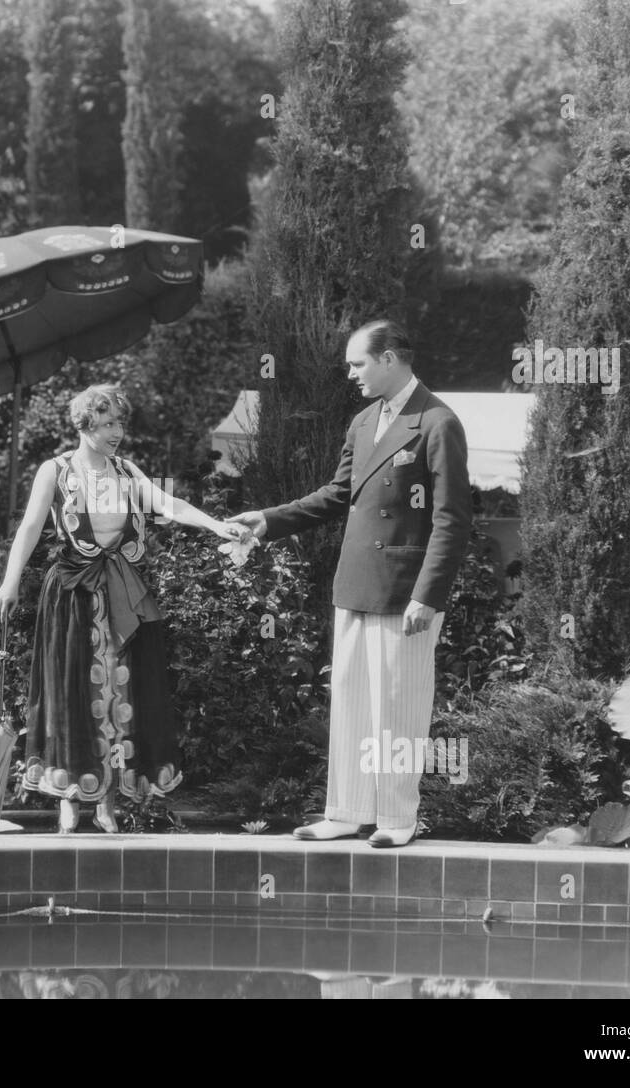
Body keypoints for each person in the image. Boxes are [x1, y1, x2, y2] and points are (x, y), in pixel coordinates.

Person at [229, 320, 471, 848]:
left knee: (398, 707)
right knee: (351, 703)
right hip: (355, 584)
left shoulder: (438, 422)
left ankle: (396, 819)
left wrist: (427, 596)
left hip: (405, 590)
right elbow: (337, 494)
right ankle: (345, 811)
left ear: (389, 359)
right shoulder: (363, 422)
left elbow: (452, 519)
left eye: (358, 363)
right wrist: (268, 520)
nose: (351, 373)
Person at [0, 383, 249, 833]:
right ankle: (70, 799)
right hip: (73, 597)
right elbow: (31, 527)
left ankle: (107, 803)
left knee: (121, 693)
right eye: (107, 422)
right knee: (73, 694)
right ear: (84, 424)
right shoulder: (55, 471)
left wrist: (216, 526)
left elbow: (168, 504)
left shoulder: (126, 471)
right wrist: (10, 582)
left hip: (123, 595)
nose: (117, 432)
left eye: (120, 423)